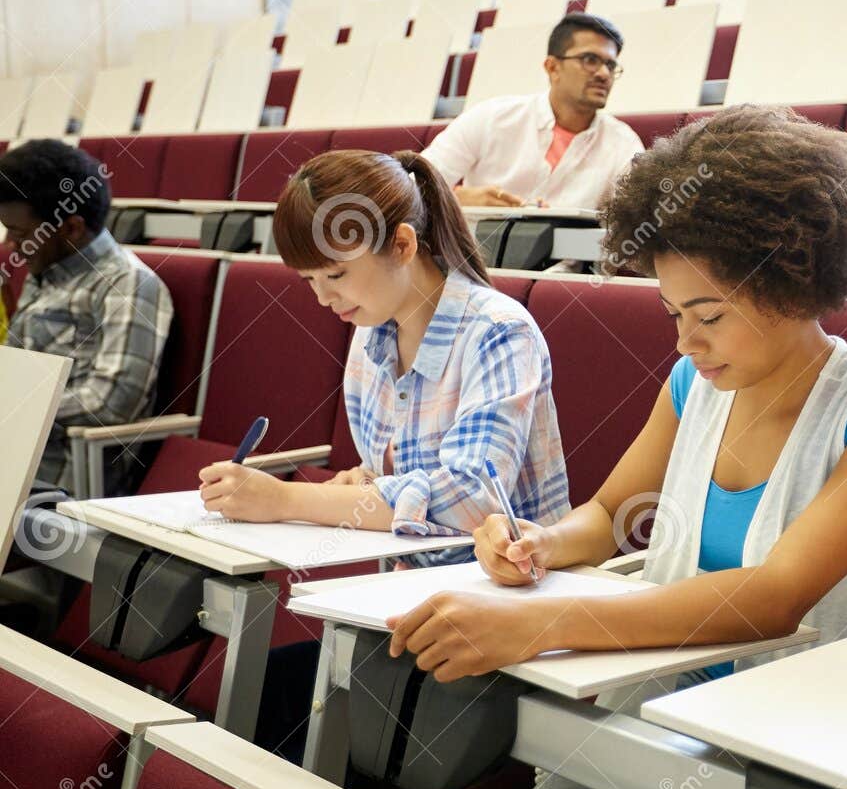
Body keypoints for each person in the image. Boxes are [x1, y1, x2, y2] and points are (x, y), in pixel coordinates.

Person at [386, 105, 847, 789]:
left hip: (813, 748)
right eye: (674, 314)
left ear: (793, 283)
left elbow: (774, 599)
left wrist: (538, 621)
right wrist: (539, 543)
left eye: (709, 315)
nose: (685, 341)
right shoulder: (695, 381)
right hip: (676, 705)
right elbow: (612, 517)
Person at [196, 150, 569, 564]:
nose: (322, 297)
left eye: (335, 275)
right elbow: (400, 472)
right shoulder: (370, 334)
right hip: (403, 586)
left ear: (403, 245)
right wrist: (364, 482)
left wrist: (285, 498)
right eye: (309, 281)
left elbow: (473, 500)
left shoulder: (498, 332)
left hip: (509, 596)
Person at [0, 140, 171, 496]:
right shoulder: (46, 269)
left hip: (59, 479)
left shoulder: (127, 284)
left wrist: (16, 402)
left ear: (71, 229)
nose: (10, 245)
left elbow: (111, 403)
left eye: (18, 233)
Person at [421, 12, 643, 210]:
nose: (604, 73)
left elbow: (640, 220)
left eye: (611, 65)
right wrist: (457, 200)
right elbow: (410, 187)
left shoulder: (623, 143)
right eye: (590, 60)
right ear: (552, 67)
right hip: (473, 254)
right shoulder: (490, 118)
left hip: (573, 257)